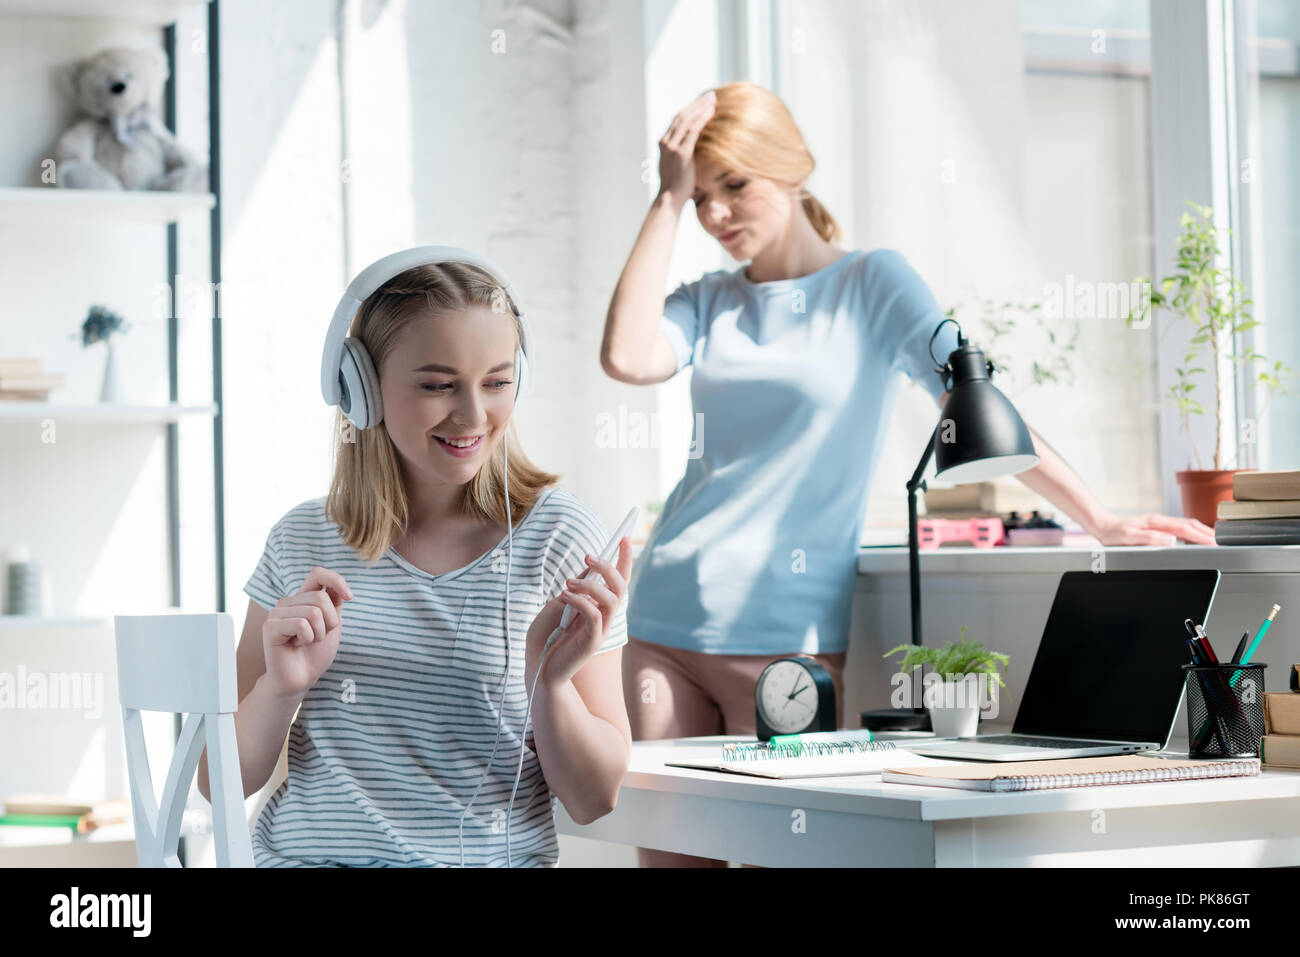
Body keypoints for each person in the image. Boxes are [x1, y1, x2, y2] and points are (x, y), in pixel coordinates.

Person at [601, 82, 1216, 868]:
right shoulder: (709, 302)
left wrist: (1098, 518)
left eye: (735, 186)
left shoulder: (872, 283)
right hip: (666, 624)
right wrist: (665, 196)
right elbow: (624, 356)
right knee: (671, 862)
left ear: (793, 172)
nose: (716, 215)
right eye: (701, 197)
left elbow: (977, 400)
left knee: (778, 857)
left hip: (790, 644)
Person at [197, 250, 634, 867]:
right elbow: (218, 785)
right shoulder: (301, 540)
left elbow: (594, 799)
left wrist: (551, 681)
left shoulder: (559, 539)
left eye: (497, 382)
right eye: (437, 385)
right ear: (360, 389)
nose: (473, 415)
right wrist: (279, 688)